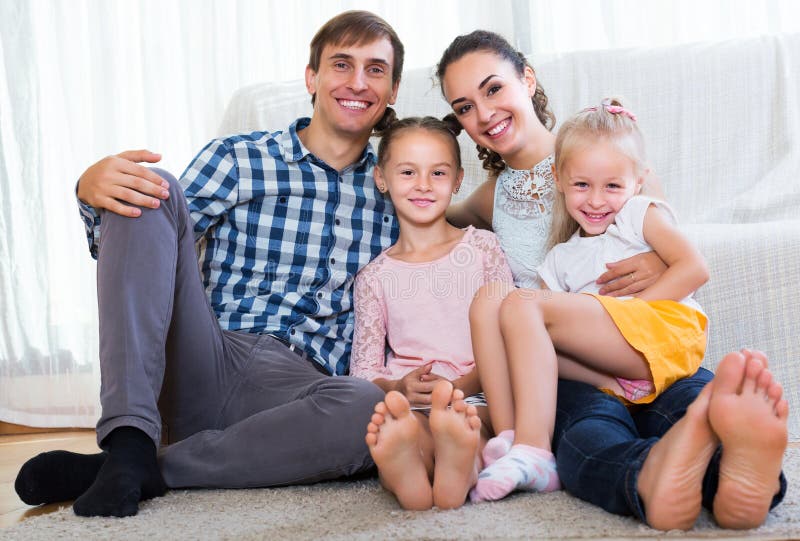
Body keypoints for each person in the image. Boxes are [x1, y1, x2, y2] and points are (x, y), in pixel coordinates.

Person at [15, 10, 405, 518]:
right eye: (341, 64)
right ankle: (130, 438)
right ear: (312, 77)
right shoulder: (239, 158)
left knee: (369, 411)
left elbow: (451, 238)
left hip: (296, 390)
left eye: (375, 69)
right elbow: (147, 239)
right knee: (152, 187)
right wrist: (89, 191)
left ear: (394, 90)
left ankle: (145, 466)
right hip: (208, 352)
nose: (357, 82)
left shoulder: (399, 191)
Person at [436, 30, 788, 530]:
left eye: (493, 89)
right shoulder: (491, 198)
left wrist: (659, 269)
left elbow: (668, 238)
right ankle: (659, 479)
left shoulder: (602, 147)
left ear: (527, 80)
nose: (484, 113)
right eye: (464, 107)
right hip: (573, 371)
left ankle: (746, 478)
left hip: (645, 342)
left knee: (696, 406)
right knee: (586, 440)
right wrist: (393, 181)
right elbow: (427, 211)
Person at [469, 98, 710, 503]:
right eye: (582, 185)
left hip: (665, 335)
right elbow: (541, 345)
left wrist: (626, 310)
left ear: (637, 183)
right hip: (621, 361)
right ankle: (512, 437)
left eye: (612, 186)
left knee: (520, 305)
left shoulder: (638, 215)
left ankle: (533, 449)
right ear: (559, 180)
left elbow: (694, 268)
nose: (596, 201)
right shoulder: (561, 257)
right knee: (508, 319)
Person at [349, 116, 514, 510]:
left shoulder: (483, 248)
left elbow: (510, 331)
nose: (423, 184)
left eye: (437, 173)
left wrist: (465, 384)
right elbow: (363, 369)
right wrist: (397, 387)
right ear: (381, 178)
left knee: (472, 428)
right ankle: (411, 472)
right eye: (408, 172)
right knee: (406, 430)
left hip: (477, 394)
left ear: (457, 180)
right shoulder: (374, 276)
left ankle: (459, 465)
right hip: (411, 399)